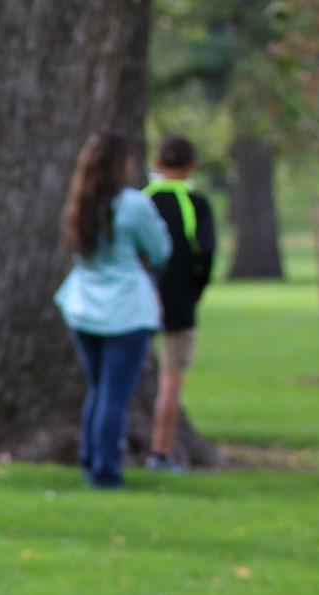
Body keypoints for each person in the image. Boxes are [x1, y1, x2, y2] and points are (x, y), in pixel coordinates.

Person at [53, 129, 172, 489]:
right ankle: (105, 471)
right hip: (126, 310)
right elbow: (160, 250)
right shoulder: (132, 205)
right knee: (114, 395)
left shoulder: (79, 202)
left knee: (98, 388)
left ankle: (90, 457)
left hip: (84, 306)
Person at [142, 135, 217, 473]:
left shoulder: (143, 201)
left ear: (157, 163)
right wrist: (198, 287)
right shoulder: (195, 203)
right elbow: (206, 251)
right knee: (170, 380)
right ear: (193, 166)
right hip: (180, 300)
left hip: (139, 298)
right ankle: (160, 452)